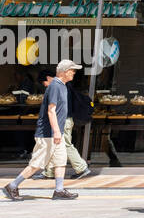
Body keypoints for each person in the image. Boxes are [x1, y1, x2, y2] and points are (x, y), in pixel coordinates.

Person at [2, 61, 81, 201]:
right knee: (37, 164)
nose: (74, 72)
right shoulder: (55, 86)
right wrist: (56, 132)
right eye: (72, 70)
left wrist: (59, 132)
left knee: (60, 161)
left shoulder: (62, 86)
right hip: (48, 134)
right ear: (64, 71)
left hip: (57, 133)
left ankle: (59, 190)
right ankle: (12, 185)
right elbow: (51, 111)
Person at [42, 64, 91, 180]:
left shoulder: (59, 87)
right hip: (65, 120)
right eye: (72, 71)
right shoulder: (63, 86)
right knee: (55, 145)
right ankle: (49, 172)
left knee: (65, 145)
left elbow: (56, 108)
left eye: (43, 82)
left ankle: (81, 167)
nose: (44, 85)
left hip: (63, 120)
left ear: (49, 78)